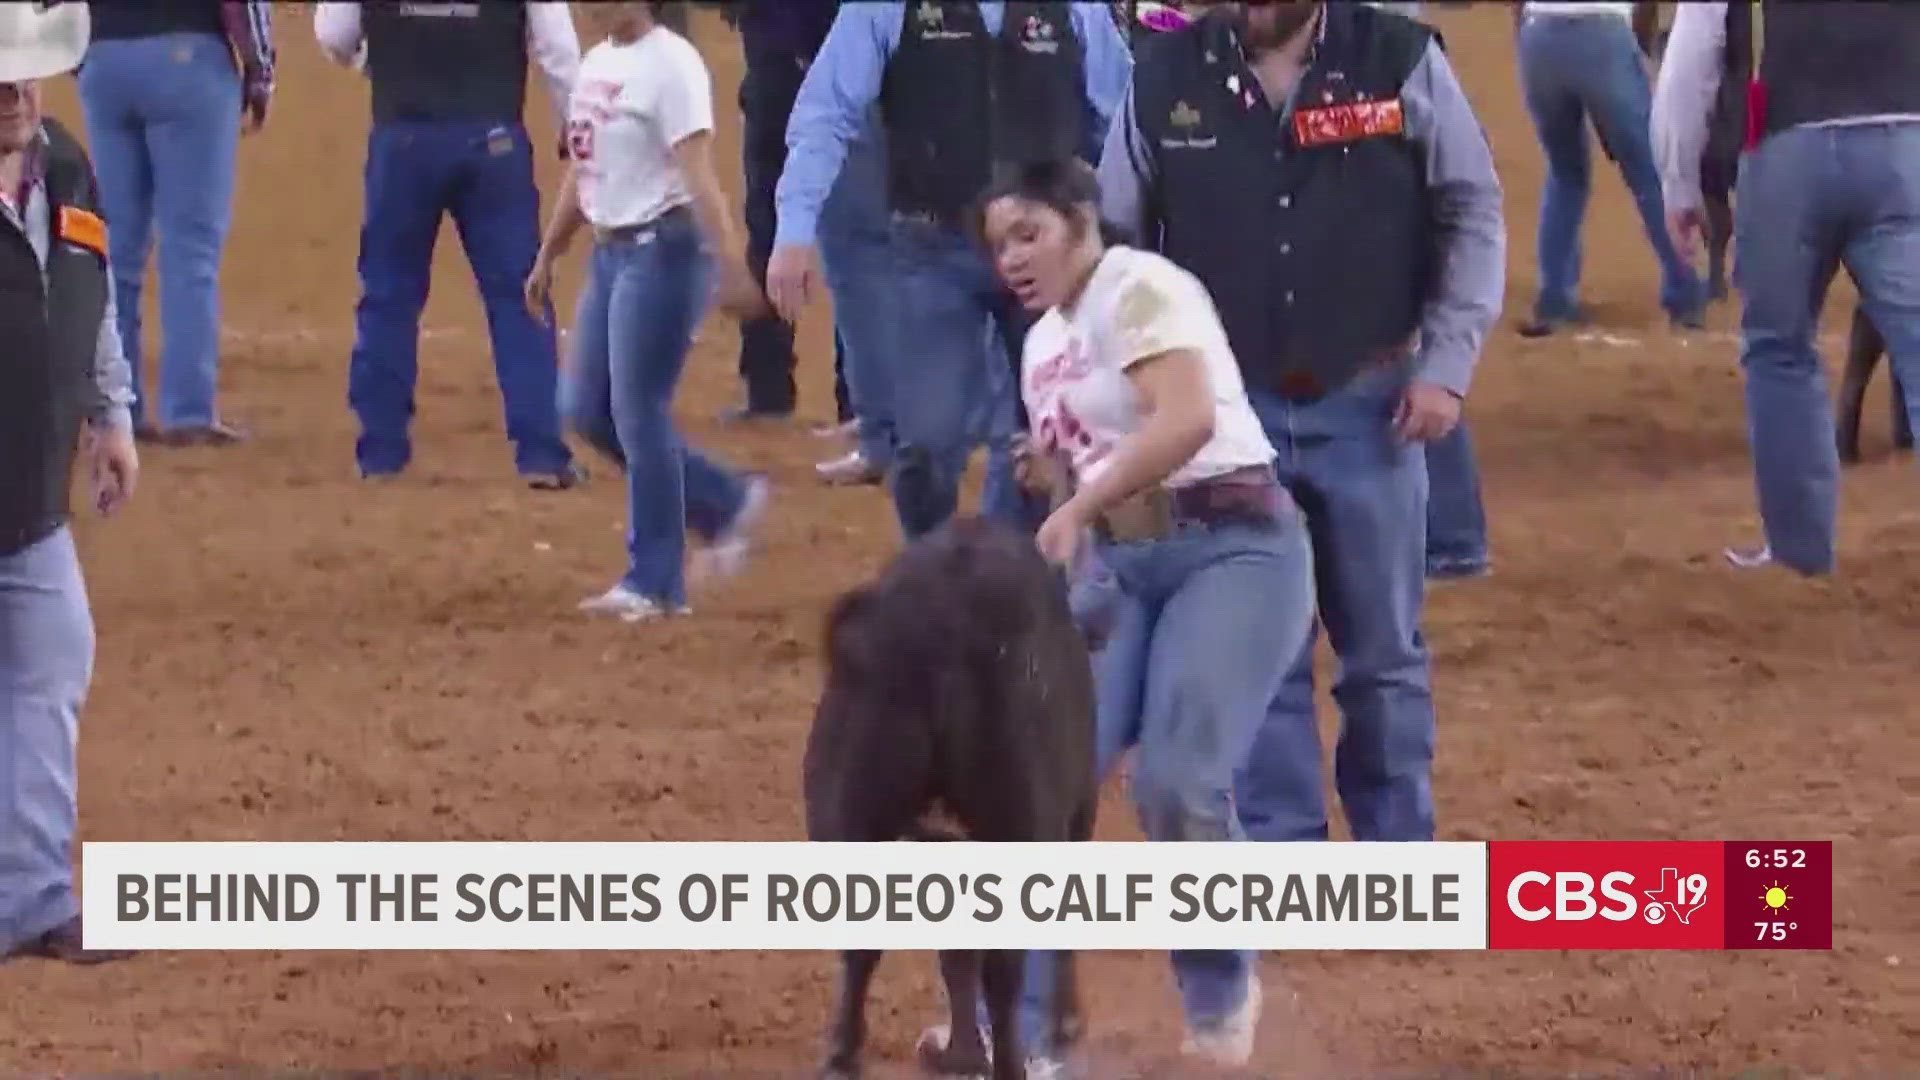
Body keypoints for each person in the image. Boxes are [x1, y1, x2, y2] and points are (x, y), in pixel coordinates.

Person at [1101, 0, 1503, 855]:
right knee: (1264, 657)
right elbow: (1114, 246)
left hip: (1373, 406)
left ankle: (1398, 855)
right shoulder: (1163, 76)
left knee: (1384, 658)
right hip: (1226, 421)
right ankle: (1290, 861)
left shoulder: (1401, 59)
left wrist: (1447, 366)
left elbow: (1471, 208)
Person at [981, 158, 1316, 1068]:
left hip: (1235, 547)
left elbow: (1187, 420)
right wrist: (1056, 484)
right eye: (999, 244)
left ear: (1081, 218)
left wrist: (1078, 503)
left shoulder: (1140, 285)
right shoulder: (1040, 343)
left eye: (1028, 233)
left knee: (1176, 782)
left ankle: (1219, 990)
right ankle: (1029, 1031)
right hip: (1121, 569)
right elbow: (1085, 465)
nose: (1011, 258)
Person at [767, 1, 1134, 541]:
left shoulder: (1078, 9)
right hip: (933, 248)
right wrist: (794, 228)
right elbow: (826, 111)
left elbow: (1124, 123)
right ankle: (932, 571)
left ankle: (1009, 587)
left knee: (1045, 438)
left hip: (1051, 260)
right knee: (925, 444)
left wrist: (1123, 236)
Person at [1652, 1, 1920, 574]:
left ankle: (1798, 552)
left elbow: (1692, 57)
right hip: (1905, 141)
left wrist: (1678, 182)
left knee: (1780, 350)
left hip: (1783, 148)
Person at [525, 0, 770, 622]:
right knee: (585, 410)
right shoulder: (597, 64)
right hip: (612, 253)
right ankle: (723, 499)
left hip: (663, 249)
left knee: (637, 411)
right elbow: (583, 171)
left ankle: (655, 582)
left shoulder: (675, 65)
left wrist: (731, 264)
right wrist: (550, 252)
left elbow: (700, 178)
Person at [0, 0, 139, 965]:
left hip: (28, 500)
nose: (11, 93)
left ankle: (37, 898)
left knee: (54, 665)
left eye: (22, 72)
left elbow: (91, 289)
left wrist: (113, 410)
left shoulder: (65, 166)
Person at [314, 1, 580, 488]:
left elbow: (334, 33)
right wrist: (573, 120)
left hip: (403, 136)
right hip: (493, 136)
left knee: (389, 295)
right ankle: (541, 453)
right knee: (521, 294)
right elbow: (557, 47)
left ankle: (381, 450)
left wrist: (372, 59)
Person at [76, 0, 274, 446]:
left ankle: (115, 409)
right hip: (188, 57)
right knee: (190, 250)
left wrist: (83, 56)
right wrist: (260, 71)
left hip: (103, 59)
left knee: (115, 251)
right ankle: (189, 412)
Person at [1513, 1, 1704, 337]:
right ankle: (1684, 292)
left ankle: (1555, 298)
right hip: (1602, 33)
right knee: (1647, 169)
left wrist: (1526, 41)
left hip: (1538, 34)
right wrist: (1638, 50)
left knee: (1565, 172)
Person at [721, 0, 838, 424]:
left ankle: (775, 389)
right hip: (784, 83)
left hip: (804, 82)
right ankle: (777, 388)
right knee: (842, 245)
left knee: (848, 245)